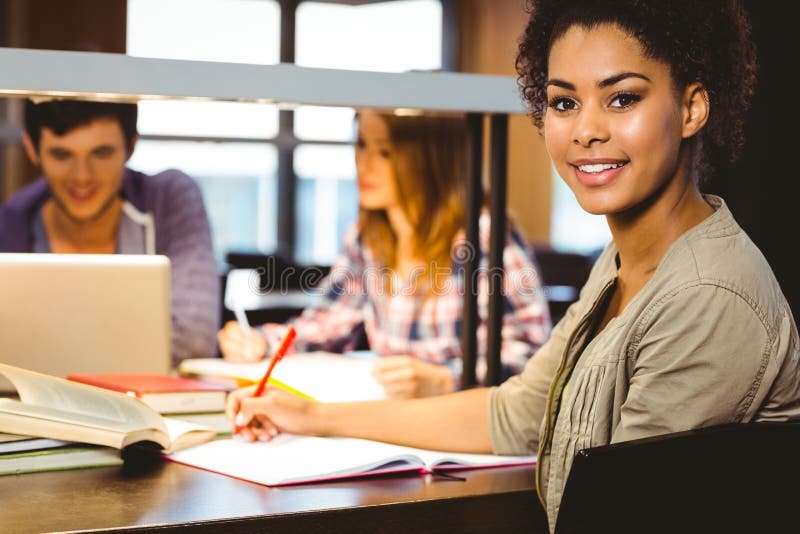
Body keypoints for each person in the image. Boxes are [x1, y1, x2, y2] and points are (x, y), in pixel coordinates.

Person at [226, 0, 800, 528]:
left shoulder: (706, 296)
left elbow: (621, 514)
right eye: (564, 102)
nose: (587, 130)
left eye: (622, 98)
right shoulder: (624, 263)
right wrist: (311, 418)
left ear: (693, 107)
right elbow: (517, 411)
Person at [218, 111, 551, 398]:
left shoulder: (484, 236)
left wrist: (445, 379)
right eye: (361, 144)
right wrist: (262, 341)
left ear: (432, 157)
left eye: (386, 152)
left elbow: (532, 357)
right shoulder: (367, 237)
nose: (365, 164)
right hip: (391, 417)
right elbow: (328, 322)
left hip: (461, 423)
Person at [0, 99, 220, 363]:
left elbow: (194, 339)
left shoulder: (168, 200)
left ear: (131, 146)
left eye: (101, 153)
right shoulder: (11, 223)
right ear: (32, 149)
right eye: (61, 155)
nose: (82, 176)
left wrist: (41, 348)